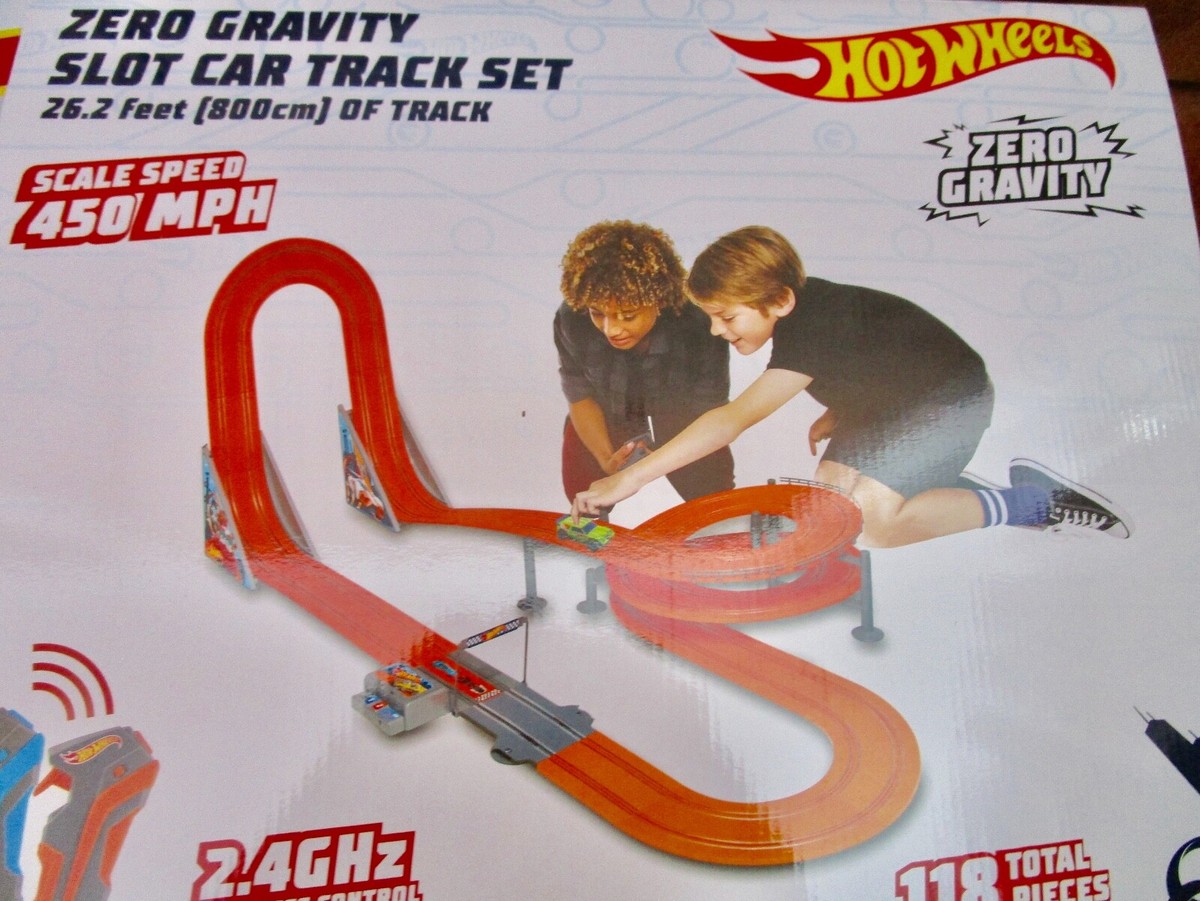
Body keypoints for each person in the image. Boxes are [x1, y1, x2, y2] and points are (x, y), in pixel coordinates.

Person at [571, 225, 1129, 547]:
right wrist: (844, 404)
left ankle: (1034, 503)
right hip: (888, 403)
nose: (717, 330)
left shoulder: (816, 325)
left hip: (948, 399)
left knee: (873, 528)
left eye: (726, 317)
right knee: (833, 511)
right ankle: (936, 481)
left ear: (779, 301)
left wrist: (629, 480)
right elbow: (880, 349)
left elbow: (731, 420)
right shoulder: (804, 309)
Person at [555, 220, 734, 518]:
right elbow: (579, 396)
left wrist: (658, 461)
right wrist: (606, 459)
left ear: (658, 300)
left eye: (628, 315)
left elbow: (710, 411)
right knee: (584, 502)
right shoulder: (571, 317)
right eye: (598, 314)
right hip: (603, 417)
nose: (611, 330)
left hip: (684, 421)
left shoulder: (700, 323)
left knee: (712, 500)